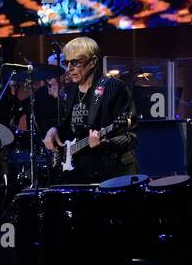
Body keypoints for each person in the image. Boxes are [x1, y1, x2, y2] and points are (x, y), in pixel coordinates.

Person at [42, 37, 137, 183]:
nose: (69, 68)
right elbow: (70, 127)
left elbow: (131, 137)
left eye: (75, 62)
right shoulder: (73, 90)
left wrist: (106, 144)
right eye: (66, 63)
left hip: (112, 172)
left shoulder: (115, 88)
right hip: (80, 171)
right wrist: (54, 130)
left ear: (92, 62)